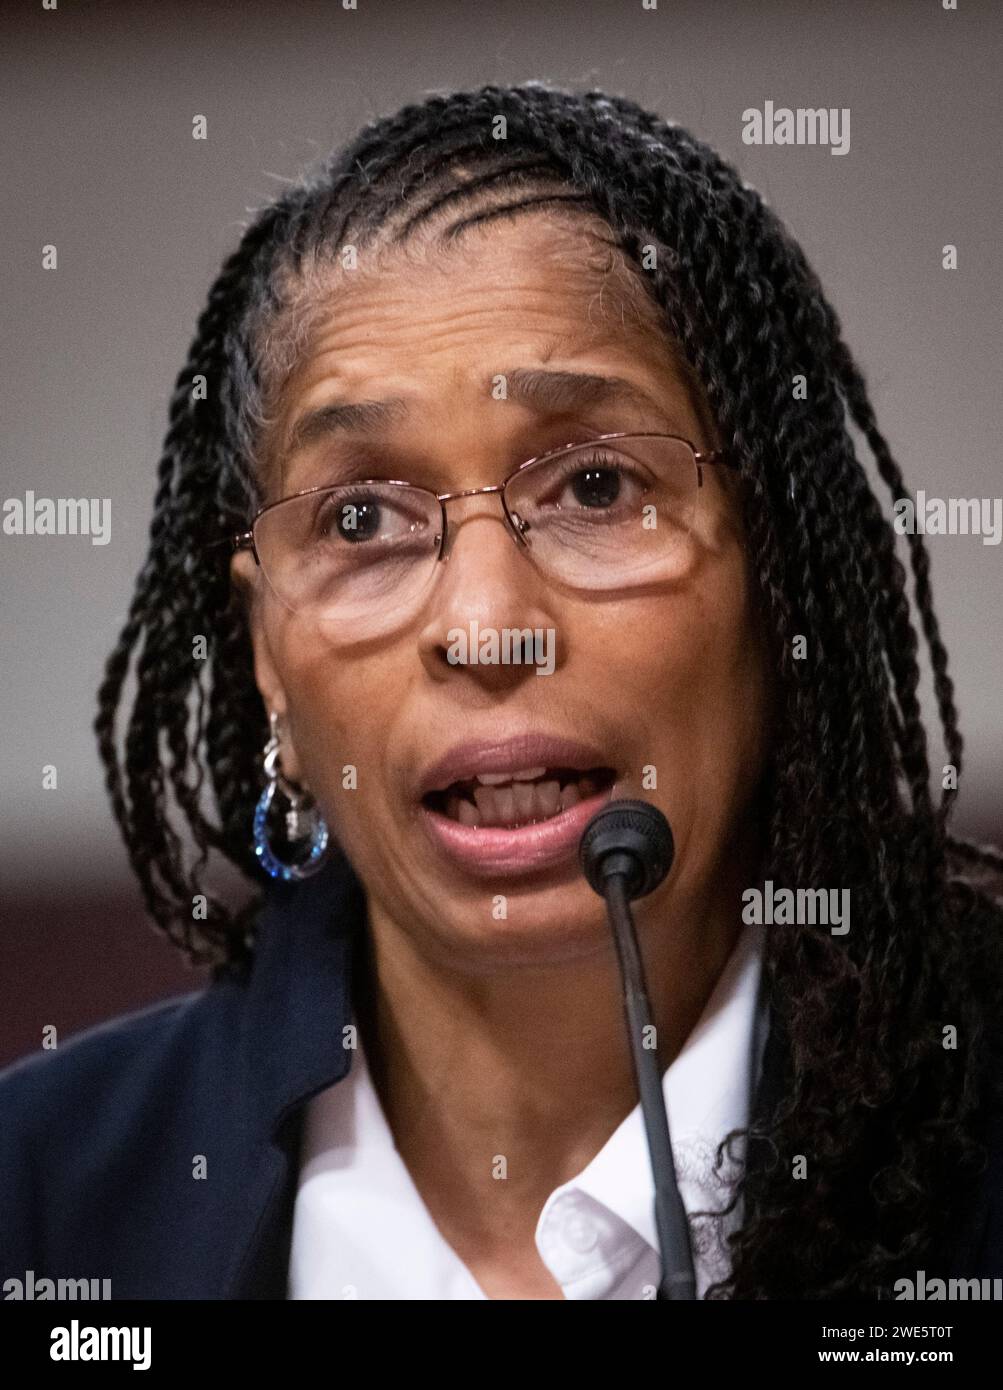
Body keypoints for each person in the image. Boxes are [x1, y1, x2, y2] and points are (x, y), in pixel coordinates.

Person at [2, 80, 1001, 1302]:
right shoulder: (39, 1203)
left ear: (779, 579)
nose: (486, 627)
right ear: (266, 653)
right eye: (360, 519)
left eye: (594, 487)